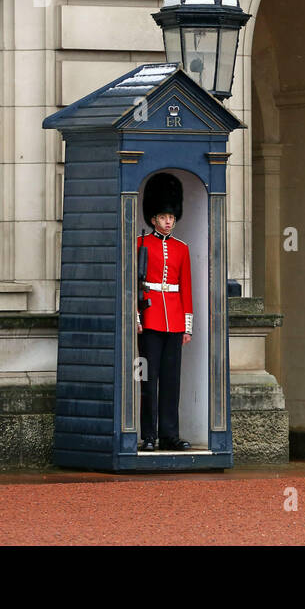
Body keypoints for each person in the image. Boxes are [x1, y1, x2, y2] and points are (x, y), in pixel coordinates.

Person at [137, 173, 194, 452]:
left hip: (174, 319)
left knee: (171, 382)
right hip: (149, 319)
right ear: (153, 219)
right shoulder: (140, 244)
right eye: (163, 217)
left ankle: (169, 434)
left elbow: (186, 288)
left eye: (171, 217)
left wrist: (187, 325)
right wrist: (136, 316)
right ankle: (148, 435)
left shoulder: (182, 248)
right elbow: (134, 284)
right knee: (148, 380)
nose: (168, 221)